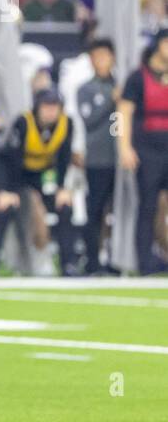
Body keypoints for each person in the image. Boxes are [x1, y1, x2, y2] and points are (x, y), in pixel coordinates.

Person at [0, 87, 77, 275]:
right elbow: (10, 158)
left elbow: (64, 158)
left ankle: (68, 264)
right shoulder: (24, 122)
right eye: (46, 106)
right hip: (17, 173)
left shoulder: (67, 124)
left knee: (65, 207)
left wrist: (62, 187)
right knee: (4, 209)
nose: (50, 112)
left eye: (54, 107)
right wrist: (7, 190)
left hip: (43, 175)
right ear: (37, 107)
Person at [116, 28, 168, 274]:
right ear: (157, 45)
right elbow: (124, 113)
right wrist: (124, 147)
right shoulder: (138, 77)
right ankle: (145, 263)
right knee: (147, 206)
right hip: (147, 150)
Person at [76, 38, 119, 273]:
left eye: (106, 55)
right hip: (98, 160)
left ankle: (116, 260)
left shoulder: (122, 84)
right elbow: (89, 120)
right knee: (95, 211)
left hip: (121, 160)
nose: (102, 61)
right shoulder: (86, 89)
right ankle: (92, 261)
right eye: (97, 56)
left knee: (118, 213)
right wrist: (112, 100)